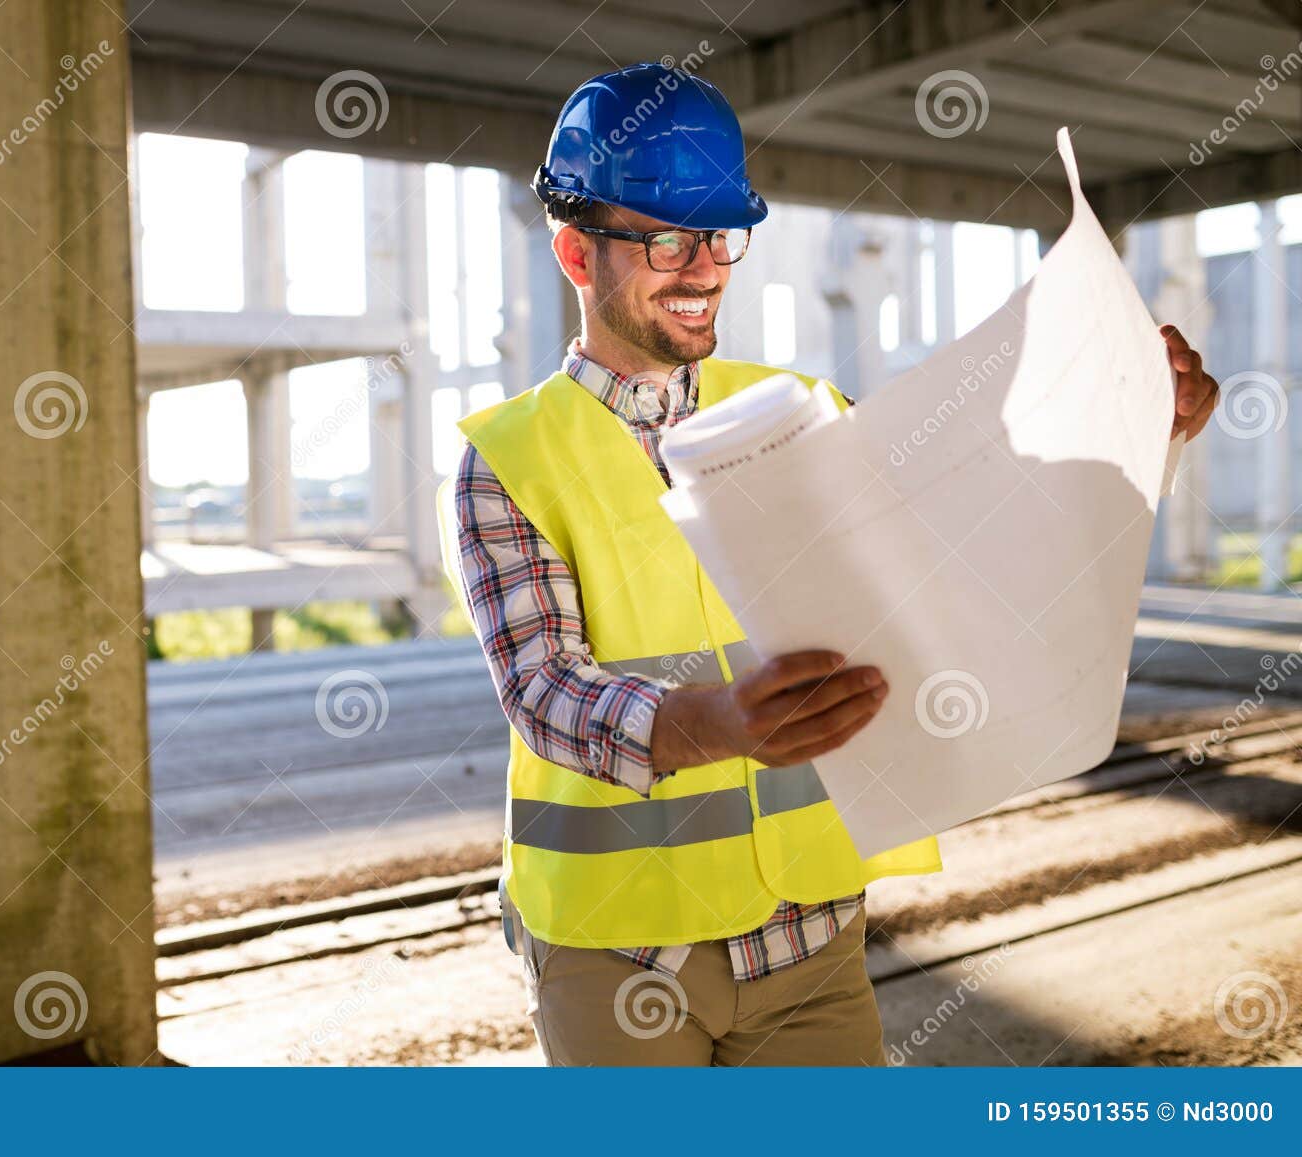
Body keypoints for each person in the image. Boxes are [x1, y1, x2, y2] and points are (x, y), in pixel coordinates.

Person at [436, 61, 1219, 1067]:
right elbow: (544, 692)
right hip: (613, 953)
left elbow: (963, 554)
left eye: (723, 235)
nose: (705, 268)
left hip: (805, 937)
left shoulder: (794, 410)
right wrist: (714, 721)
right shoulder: (507, 457)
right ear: (576, 252)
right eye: (667, 239)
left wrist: (1141, 425)